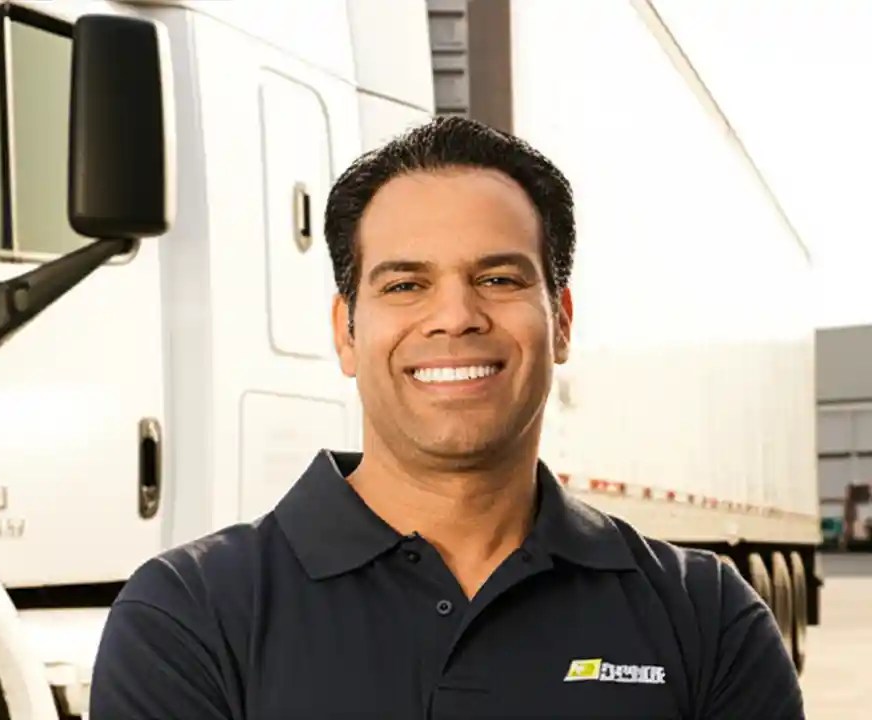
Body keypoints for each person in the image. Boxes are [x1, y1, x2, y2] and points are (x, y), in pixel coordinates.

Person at [88, 116, 804, 719]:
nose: (455, 317)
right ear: (346, 332)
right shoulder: (190, 617)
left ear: (560, 321)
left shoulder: (705, 617)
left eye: (498, 278)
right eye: (406, 284)